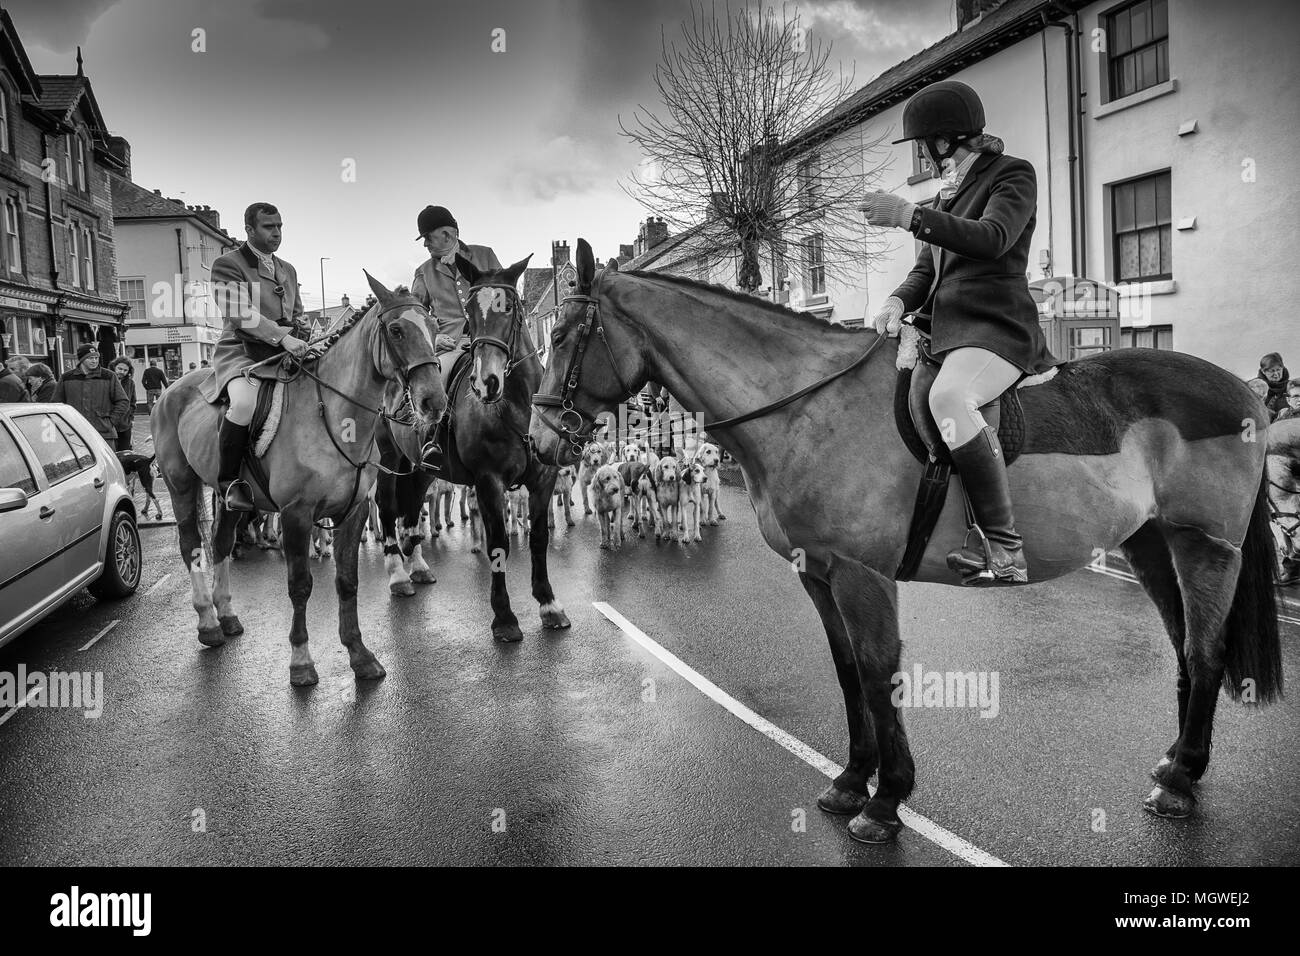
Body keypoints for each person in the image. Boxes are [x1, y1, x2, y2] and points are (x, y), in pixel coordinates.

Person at [860, 79, 1058, 585]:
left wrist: (909, 215)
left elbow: (992, 240)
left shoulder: (1012, 175)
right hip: (945, 332)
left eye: (924, 147)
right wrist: (896, 300)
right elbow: (926, 271)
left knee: (950, 398)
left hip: (996, 329)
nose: (924, 158)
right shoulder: (945, 198)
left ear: (944, 141)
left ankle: (1006, 549)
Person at [205, 201, 308, 511]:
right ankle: (229, 483)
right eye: (269, 227)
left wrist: (301, 331)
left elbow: (297, 312)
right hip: (241, 352)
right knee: (245, 403)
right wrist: (283, 336)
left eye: (279, 226)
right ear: (249, 229)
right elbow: (240, 314)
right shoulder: (228, 264)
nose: (276, 233)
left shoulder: (287, 269)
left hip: (283, 353)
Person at [410, 204, 503, 375]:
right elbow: (414, 316)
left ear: (446, 235)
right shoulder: (423, 272)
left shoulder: (485, 256)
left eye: (428, 238)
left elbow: (506, 301)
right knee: (437, 388)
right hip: (451, 348)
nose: (425, 244)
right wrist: (433, 338)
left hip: (494, 340)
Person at [52, 344, 130, 442]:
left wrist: (110, 422)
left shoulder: (109, 376)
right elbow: (57, 405)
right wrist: (65, 425)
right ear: (81, 360)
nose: (94, 361)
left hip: (104, 434)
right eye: (90, 358)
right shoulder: (66, 378)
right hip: (75, 434)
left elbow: (123, 401)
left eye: (96, 358)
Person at [110, 357, 137, 450]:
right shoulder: (107, 380)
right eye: (120, 369)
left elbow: (133, 402)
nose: (122, 372)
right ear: (114, 367)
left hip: (125, 425)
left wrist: (131, 418)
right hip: (110, 425)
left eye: (125, 370)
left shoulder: (130, 383)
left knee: (125, 452)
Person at [1258, 353, 1290, 421]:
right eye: (1272, 371)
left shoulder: (1292, 387)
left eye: (1278, 370)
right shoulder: (1256, 387)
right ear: (1263, 371)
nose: (1276, 374)